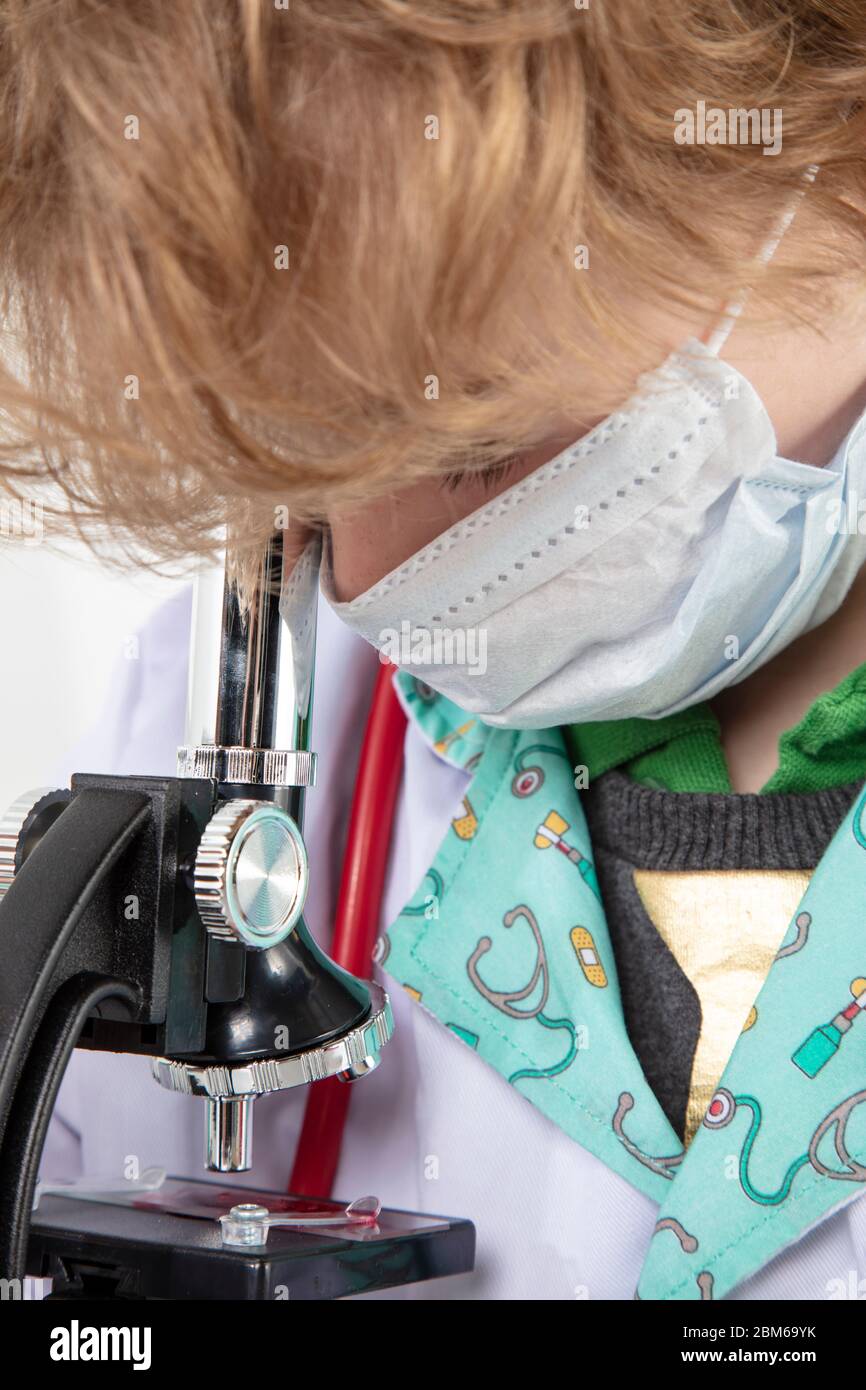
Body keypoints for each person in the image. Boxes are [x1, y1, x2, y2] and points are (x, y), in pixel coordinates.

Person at [3, 0, 866, 1300]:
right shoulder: (244, 713)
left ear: (826, 129)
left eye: (467, 447)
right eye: (291, 461)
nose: (360, 575)